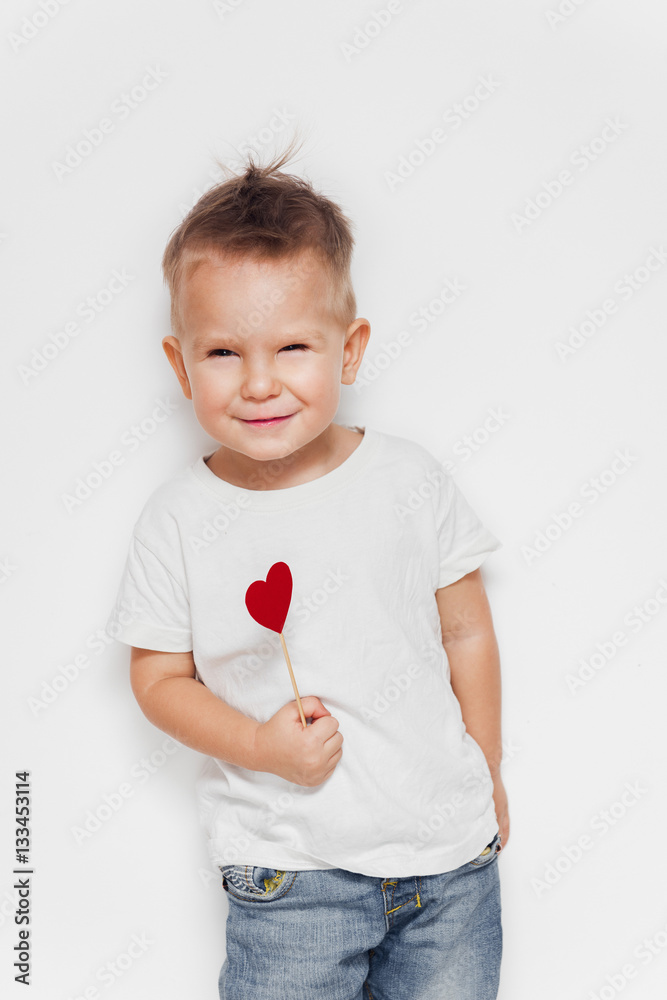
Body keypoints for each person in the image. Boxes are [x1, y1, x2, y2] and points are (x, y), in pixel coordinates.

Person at [105, 134, 509, 1000]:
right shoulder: (179, 519)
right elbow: (156, 677)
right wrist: (255, 744)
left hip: (447, 865)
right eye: (223, 353)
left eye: (292, 348)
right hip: (290, 875)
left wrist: (488, 767)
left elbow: (467, 629)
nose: (258, 383)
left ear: (348, 350)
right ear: (180, 364)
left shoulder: (409, 479)